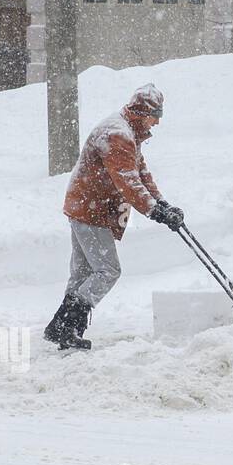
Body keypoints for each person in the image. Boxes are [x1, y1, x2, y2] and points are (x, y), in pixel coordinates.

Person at [43, 84, 184, 350]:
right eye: (156, 116)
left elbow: (142, 174)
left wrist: (163, 203)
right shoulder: (118, 135)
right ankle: (66, 325)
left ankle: (63, 328)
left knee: (83, 272)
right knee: (107, 270)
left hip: (85, 205)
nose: (157, 122)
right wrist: (154, 211)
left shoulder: (128, 131)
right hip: (90, 209)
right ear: (143, 112)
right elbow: (128, 182)